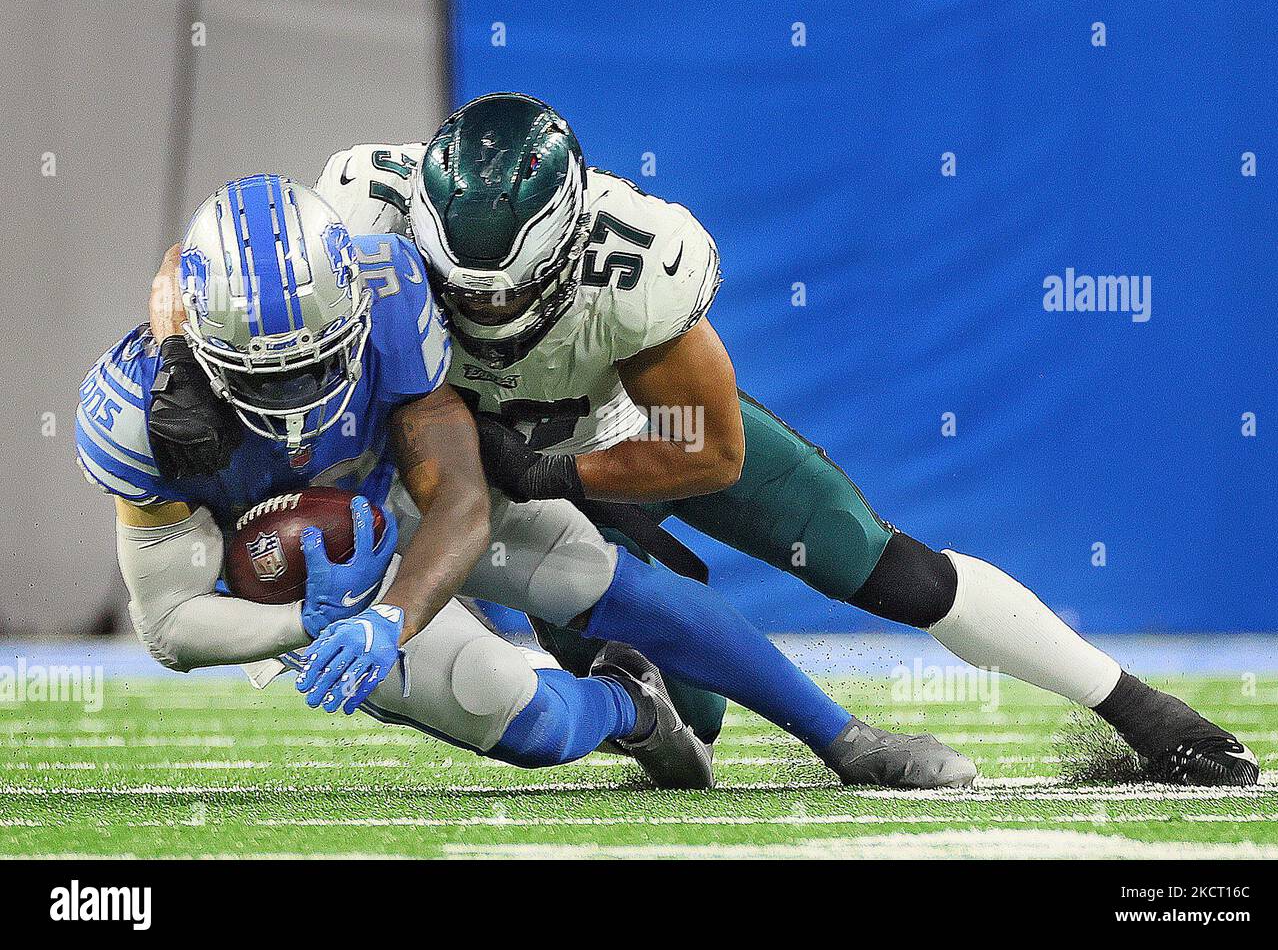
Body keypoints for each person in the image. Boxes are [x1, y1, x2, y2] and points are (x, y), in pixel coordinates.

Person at [84, 174, 974, 791]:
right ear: (201, 349)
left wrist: (391, 616)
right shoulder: (136, 414)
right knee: (519, 720)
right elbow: (168, 624)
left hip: (392, 488)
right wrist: (304, 622)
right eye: (269, 376)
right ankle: (631, 706)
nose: (303, 392)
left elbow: (462, 499)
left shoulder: (389, 293)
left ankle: (842, 737)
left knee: (593, 573)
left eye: (322, 362)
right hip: (295, 577)